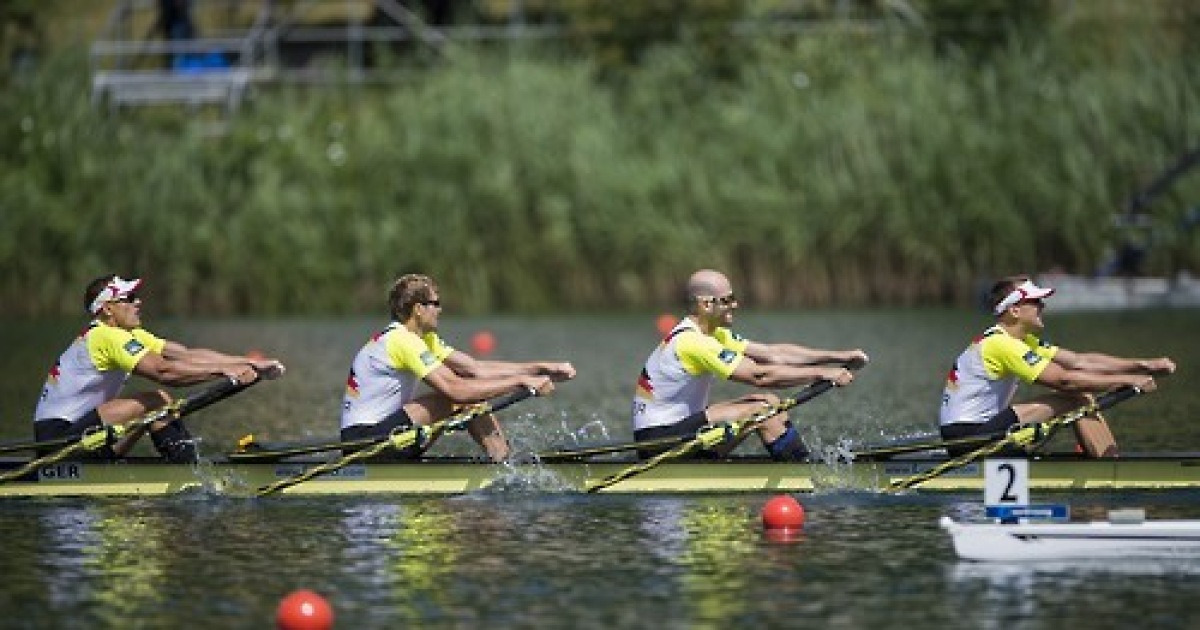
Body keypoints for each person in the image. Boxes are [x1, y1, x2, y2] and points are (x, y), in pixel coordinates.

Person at [34, 275, 285, 462]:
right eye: (129, 299)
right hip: (58, 440)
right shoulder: (105, 336)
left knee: (154, 408)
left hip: (84, 434)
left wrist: (248, 363)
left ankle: (182, 463)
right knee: (156, 401)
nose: (138, 302)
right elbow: (164, 372)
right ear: (108, 308)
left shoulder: (129, 334)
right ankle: (185, 467)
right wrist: (225, 372)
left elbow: (185, 354)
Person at [631, 269, 864, 461]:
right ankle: (800, 471)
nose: (735, 304)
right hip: (658, 443)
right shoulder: (692, 342)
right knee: (762, 410)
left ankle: (799, 463)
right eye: (728, 300)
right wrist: (823, 373)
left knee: (770, 402)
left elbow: (774, 354)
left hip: (680, 430)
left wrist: (838, 357)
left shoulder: (713, 334)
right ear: (705, 305)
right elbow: (759, 375)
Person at [340, 274, 576, 462]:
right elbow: (456, 390)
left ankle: (504, 460)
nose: (440, 310)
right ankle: (503, 464)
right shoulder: (401, 340)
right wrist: (521, 382)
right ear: (418, 309)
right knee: (459, 398)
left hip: (390, 437)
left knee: (471, 397)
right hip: (364, 444)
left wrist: (542, 368)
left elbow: (476, 369)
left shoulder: (423, 339)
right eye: (435, 303)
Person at [939, 275, 1176, 458]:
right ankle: (1110, 466)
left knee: (1078, 394)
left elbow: (1080, 361)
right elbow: (1065, 380)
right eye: (1035, 301)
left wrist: (1144, 366)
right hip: (968, 439)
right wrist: (1128, 381)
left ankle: (1104, 459)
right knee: (1077, 397)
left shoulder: (1020, 341)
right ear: (1014, 310)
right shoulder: (1001, 344)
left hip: (978, 431)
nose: (1042, 306)